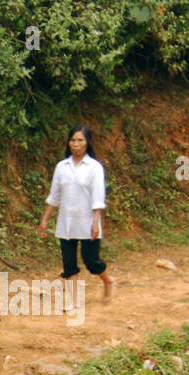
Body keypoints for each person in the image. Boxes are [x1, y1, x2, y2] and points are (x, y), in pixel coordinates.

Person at [39, 124, 116, 305]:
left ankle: (108, 281)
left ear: (87, 142)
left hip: (87, 221)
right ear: (68, 142)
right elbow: (55, 196)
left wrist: (96, 221)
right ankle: (73, 301)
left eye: (80, 140)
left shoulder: (94, 167)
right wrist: (45, 219)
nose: (76, 144)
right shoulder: (61, 167)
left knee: (91, 261)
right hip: (66, 221)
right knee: (69, 263)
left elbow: (98, 196)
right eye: (73, 140)